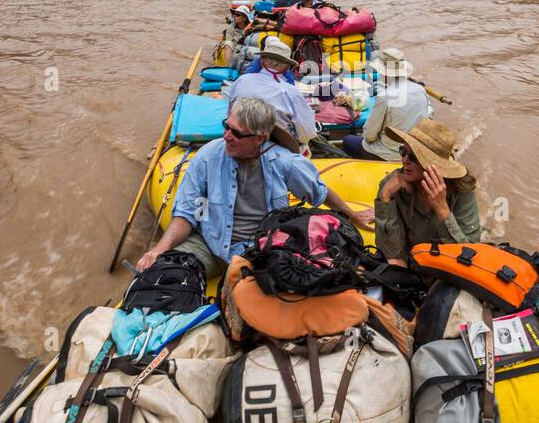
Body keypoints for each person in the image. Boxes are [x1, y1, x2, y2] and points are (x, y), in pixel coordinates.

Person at [136, 97, 373, 278]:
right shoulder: (207, 157)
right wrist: (159, 250)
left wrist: (352, 215)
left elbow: (319, 192)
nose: (226, 136)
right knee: (162, 274)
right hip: (211, 244)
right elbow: (186, 214)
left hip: (260, 251)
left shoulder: (284, 163)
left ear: (260, 138)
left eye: (236, 133)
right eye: (226, 127)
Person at [373, 119, 481, 267]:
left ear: (436, 165)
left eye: (413, 157)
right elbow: (392, 253)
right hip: (411, 267)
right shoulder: (392, 186)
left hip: (448, 269)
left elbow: (471, 255)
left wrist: (442, 210)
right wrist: (385, 198)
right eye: (403, 152)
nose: (404, 160)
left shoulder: (462, 191)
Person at [226, 37, 318, 147]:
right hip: (275, 147)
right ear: (287, 66)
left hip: (240, 142)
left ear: (262, 61)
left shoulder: (241, 80)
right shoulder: (291, 92)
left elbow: (229, 114)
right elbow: (307, 133)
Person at [342, 47, 430, 159]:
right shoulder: (420, 90)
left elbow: (369, 136)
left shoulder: (385, 96)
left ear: (385, 73)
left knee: (348, 140)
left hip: (390, 154)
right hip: (413, 150)